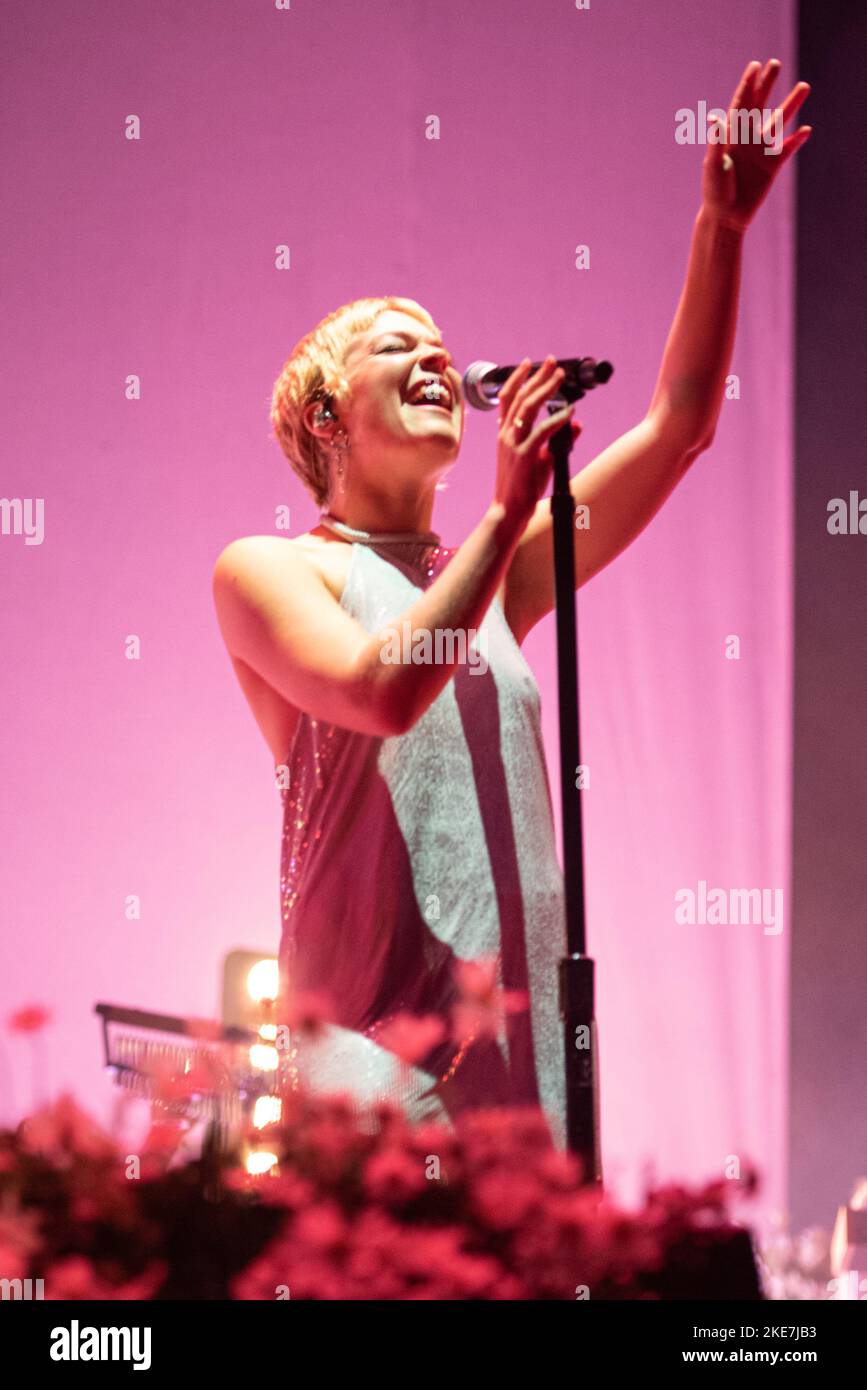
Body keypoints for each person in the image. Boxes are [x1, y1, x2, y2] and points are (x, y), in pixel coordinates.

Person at [212, 61, 810, 1146]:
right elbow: (383, 691)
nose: (434, 353)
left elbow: (679, 425)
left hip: (519, 1062)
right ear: (323, 415)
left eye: (440, 341)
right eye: (396, 345)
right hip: (370, 1063)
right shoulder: (268, 569)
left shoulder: (498, 567)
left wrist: (720, 229)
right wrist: (501, 515)